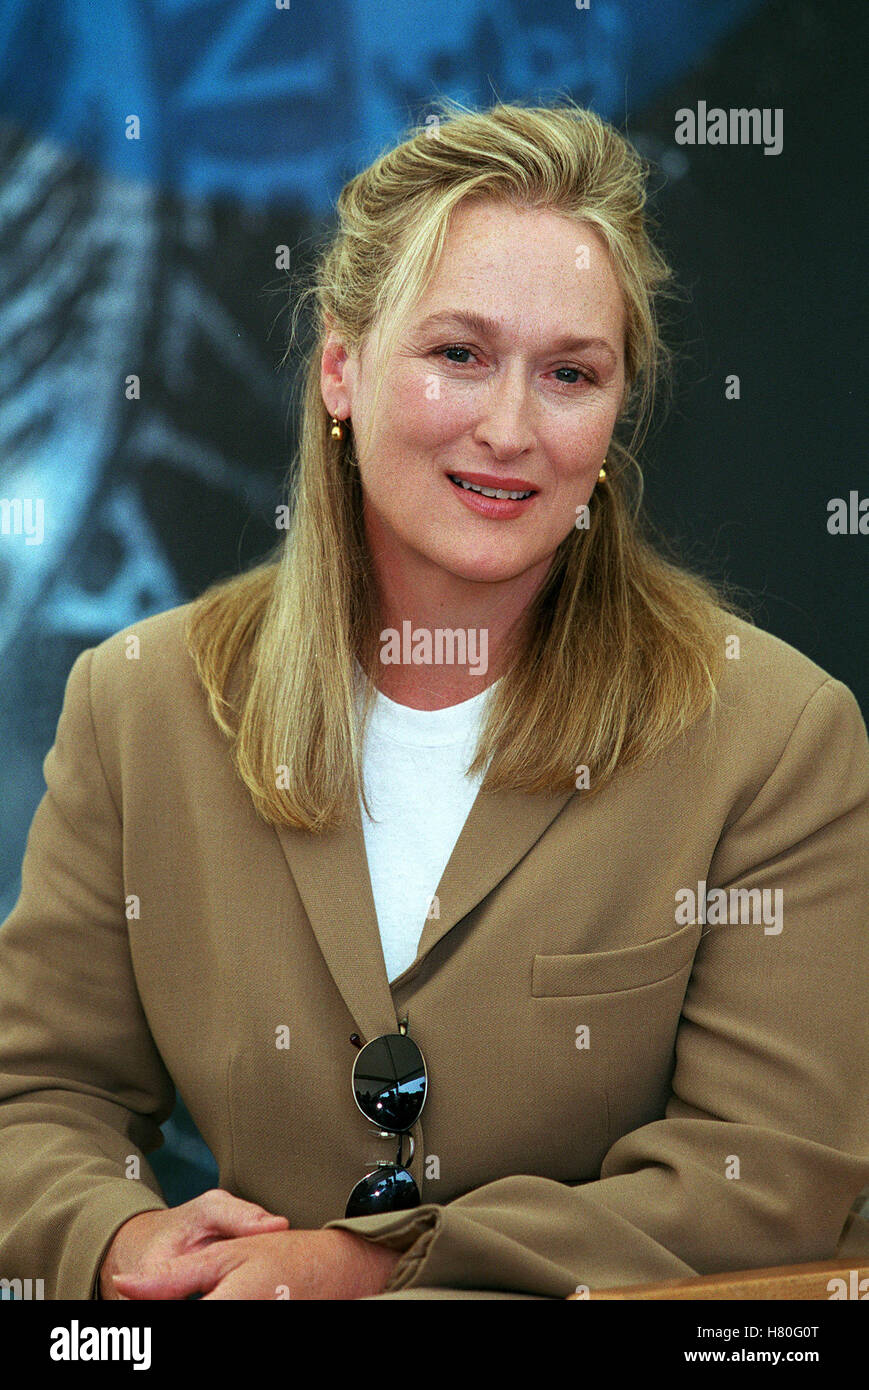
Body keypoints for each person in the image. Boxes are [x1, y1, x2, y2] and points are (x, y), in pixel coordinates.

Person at [0, 99, 866, 1302]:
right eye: (458, 353)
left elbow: (765, 1181)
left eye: (569, 372)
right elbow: (40, 1096)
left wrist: (365, 1264)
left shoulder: (776, 736)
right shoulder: (138, 703)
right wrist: (111, 1236)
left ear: (616, 412)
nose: (508, 428)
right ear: (342, 368)